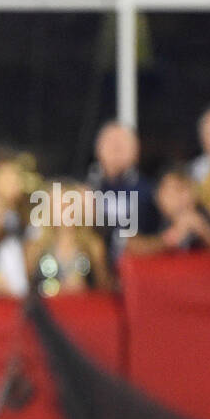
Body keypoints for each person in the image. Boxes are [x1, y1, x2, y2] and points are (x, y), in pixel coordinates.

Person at [86, 121, 160, 261]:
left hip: (140, 266)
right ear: (98, 149)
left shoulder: (152, 191)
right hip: (96, 270)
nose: (116, 148)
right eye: (110, 142)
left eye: (122, 143)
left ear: (136, 150)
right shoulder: (85, 188)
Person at [25, 182, 112, 295]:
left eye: (71, 206)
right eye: (60, 207)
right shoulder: (35, 247)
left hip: (83, 307)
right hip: (46, 310)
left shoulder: (93, 245)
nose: (66, 212)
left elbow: (104, 286)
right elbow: (26, 289)